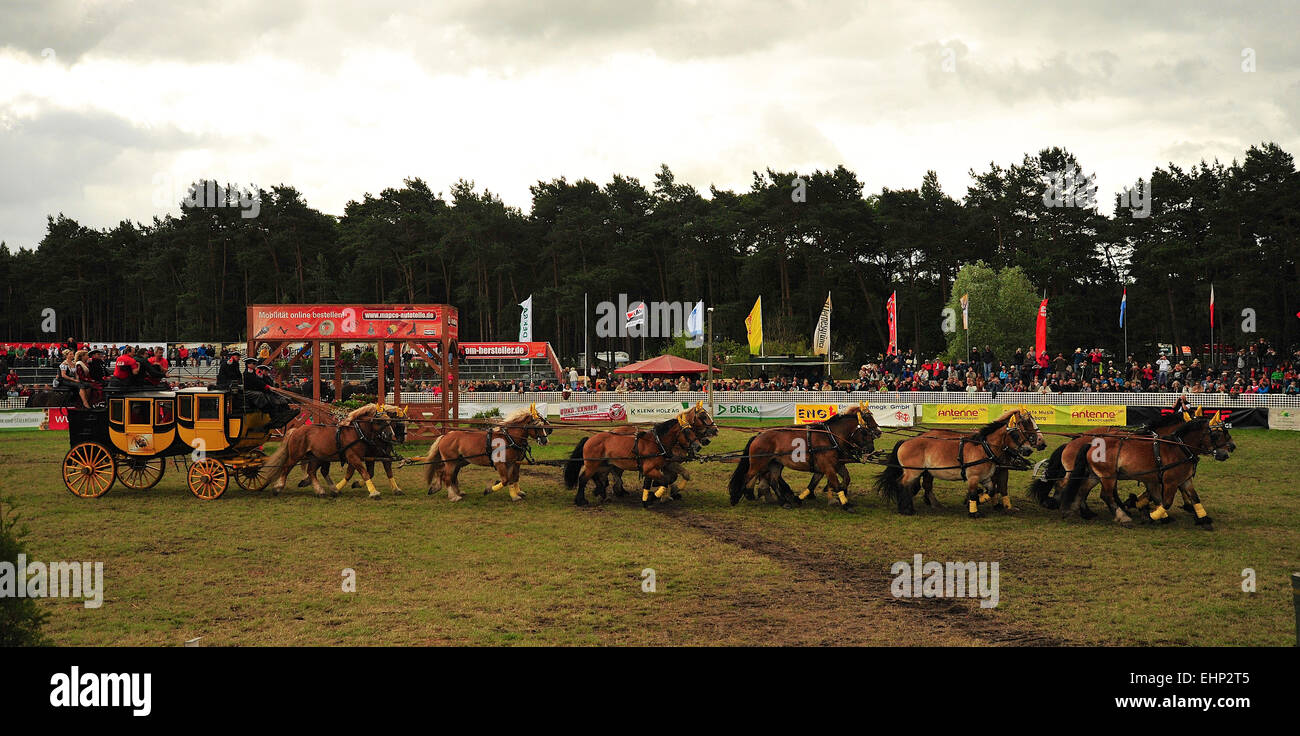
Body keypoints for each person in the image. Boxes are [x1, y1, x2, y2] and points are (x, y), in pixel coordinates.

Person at [240, 359, 296, 428]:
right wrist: (267, 387)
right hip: (249, 390)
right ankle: (272, 413)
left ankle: (284, 411)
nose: (255, 365)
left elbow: (259, 382)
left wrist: (270, 387)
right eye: (253, 364)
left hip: (257, 390)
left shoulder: (254, 373)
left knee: (276, 396)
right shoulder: (247, 373)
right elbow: (256, 382)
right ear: (249, 365)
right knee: (262, 395)